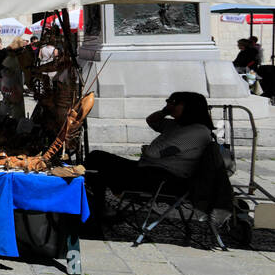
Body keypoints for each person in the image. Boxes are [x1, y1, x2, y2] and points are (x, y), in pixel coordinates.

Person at [84, 92, 215, 227]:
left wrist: (147, 150)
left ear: (189, 107)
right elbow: (152, 121)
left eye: (173, 102)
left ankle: (98, 210)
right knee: (96, 158)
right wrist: (166, 110)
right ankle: (98, 208)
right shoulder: (178, 125)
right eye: (168, 101)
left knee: (98, 168)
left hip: (165, 179)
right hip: (151, 170)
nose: (169, 104)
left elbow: (154, 153)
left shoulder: (197, 131)